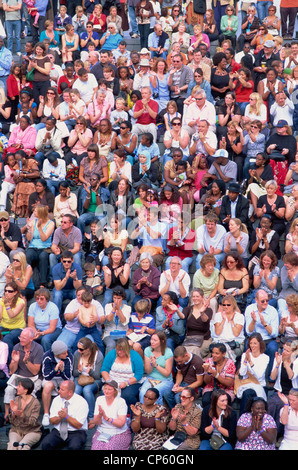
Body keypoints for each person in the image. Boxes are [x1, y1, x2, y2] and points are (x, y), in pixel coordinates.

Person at [3, 327, 43, 421]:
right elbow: (12, 371)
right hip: (20, 376)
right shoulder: (17, 347)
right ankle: (7, 415)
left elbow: (35, 371)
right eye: (20, 337)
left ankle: (28, 415)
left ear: (31, 339)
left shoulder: (38, 348)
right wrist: (14, 361)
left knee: (30, 392)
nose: (21, 339)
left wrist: (26, 362)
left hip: (34, 377)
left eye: (24, 338)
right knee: (9, 389)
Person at [42, 379, 89, 450]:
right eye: (59, 388)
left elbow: (78, 425)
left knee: (74, 447)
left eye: (62, 390)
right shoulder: (56, 400)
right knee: (46, 444)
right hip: (58, 431)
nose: (59, 391)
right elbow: (51, 421)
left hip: (76, 432)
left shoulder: (82, 402)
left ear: (70, 392)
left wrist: (66, 416)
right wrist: (60, 417)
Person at [101, 336, 144, 411]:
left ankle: (130, 413)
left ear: (127, 349)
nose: (119, 352)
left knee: (127, 395)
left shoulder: (135, 356)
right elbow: (104, 370)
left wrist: (126, 383)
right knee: (106, 392)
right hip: (112, 380)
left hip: (130, 381)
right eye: (118, 350)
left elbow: (139, 374)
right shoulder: (111, 354)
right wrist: (109, 381)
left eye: (122, 350)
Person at [244, 289, 279, 379]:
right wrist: (253, 321)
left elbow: (275, 333)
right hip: (254, 338)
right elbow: (248, 331)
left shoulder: (273, 311)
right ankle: (248, 374)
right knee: (247, 346)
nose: (265, 302)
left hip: (268, 339)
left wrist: (264, 323)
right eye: (262, 301)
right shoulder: (250, 309)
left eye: (267, 300)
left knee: (273, 348)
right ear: (256, 300)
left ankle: (269, 377)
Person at [89, 379, 131, 450]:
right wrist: (100, 414)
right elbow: (96, 422)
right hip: (102, 431)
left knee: (109, 448)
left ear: (115, 391)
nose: (106, 391)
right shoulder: (99, 399)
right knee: (96, 448)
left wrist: (107, 418)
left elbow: (121, 423)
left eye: (109, 389)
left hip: (118, 432)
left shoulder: (121, 401)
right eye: (105, 388)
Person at [41, 340, 73, 427]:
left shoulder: (69, 356)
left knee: (69, 385)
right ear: (57, 354)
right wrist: (55, 370)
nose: (67, 354)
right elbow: (46, 376)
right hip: (52, 378)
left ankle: (68, 412)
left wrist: (62, 371)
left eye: (66, 352)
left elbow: (68, 377)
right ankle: (46, 414)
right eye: (64, 353)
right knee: (47, 386)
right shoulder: (47, 357)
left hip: (63, 378)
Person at [268, 340, 298, 430]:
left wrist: (285, 363)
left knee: (280, 404)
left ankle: (278, 433)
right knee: (272, 403)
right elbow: (272, 378)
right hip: (280, 391)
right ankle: (269, 429)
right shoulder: (278, 359)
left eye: (287, 351)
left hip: (293, 393)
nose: (284, 352)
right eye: (284, 349)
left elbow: (291, 376)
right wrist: (277, 364)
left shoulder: (296, 362)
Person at [7, 377, 42, 450]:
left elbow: (32, 422)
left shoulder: (35, 403)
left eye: (19, 386)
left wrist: (22, 415)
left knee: (22, 446)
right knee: (12, 445)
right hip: (16, 430)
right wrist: (13, 413)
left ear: (25, 390)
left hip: (32, 431)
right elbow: (11, 421)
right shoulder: (16, 399)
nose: (16, 387)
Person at [139, 331, 174, 406]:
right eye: (151, 339)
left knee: (155, 392)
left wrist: (156, 365)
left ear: (162, 341)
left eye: (155, 340)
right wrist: (151, 364)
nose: (152, 342)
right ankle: (143, 413)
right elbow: (148, 371)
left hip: (165, 380)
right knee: (143, 392)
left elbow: (167, 373)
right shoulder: (148, 350)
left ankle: (158, 415)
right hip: (151, 378)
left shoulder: (168, 352)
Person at [165, 345, 204, 410]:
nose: (179, 363)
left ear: (186, 355)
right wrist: (177, 384)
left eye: (180, 361)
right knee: (167, 393)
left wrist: (183, 388)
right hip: (183, 383)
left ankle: (182, 413)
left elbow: (199, 381)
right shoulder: (179, 361)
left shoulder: (197, 362)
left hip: (194, 387)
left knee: (178, 397)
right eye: (177, 362)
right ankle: (175, 410)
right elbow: (179, 373)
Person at [73, 337, 103, 420]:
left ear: (88, 349)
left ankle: (91, 415)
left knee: (87, 390)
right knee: (76, 390)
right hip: (80, 378)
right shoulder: (77, 354)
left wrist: (90, 372)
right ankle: (74, 413)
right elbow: (74, 373)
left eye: (81, 349)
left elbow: (98, 376)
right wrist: (79, 371)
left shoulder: (98, 355)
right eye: (78, 348)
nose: (79, 351)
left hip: (94, 379)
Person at [25, 204, 55, 289]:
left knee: (43, 256)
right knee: (28, 255)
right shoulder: (33, 221)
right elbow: (29, 239)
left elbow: (44, 238)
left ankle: (43, 282)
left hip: (45, 248)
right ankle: (26, 280)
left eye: (35, 211)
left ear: (41, 212)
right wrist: (29, 229)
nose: (33, 212)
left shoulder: (51, 223)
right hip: (33, 247)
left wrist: (39, 228)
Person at [211, 294, 245, 361]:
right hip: (220, 342)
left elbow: (236, 334)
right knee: (220, 352)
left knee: (223, 353)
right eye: (224, 305)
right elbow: (217, 332)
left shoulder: (239, 316)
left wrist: (232, 321)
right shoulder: (218, 315)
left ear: (233, 305)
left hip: (235, 344)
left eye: (228, 305)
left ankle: (225, 369)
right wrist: (223, 320)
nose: (226, 307)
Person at [202, 343, 236, 408]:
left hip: (226, 390)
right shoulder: (209, 361)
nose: (214, 355)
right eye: (213, 353)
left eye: (217, 353)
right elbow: (206, 382)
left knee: (223, 400)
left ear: (223, 354)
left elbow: (229, 383)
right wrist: (208, 373)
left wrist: (216, 375)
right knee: (206, 400)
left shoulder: (230, 363)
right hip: (211, 388)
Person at [0, 281, 25, 358]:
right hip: (4, 327)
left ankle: (11, 362)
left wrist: (7, 305)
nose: (7, 293)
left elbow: (12, 315)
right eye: (5, 291)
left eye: (10, 291)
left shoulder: (21, 302)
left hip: (17, 328)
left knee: (7, 338)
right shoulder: (1, 301)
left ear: (15, 292)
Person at [75, 289, 105, 355]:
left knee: (99, 343)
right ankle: (75, 358)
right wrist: (85, 323)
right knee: (76, 343)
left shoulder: (93, 306)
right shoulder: (81, 308)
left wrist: (92, 321)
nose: (87, 304)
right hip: (83, 328)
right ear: (82, 301)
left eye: (88, 302)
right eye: (85, 303)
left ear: (91, 301)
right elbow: (80, 318)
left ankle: (101, 357)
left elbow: (94, 315)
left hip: (93, 328)